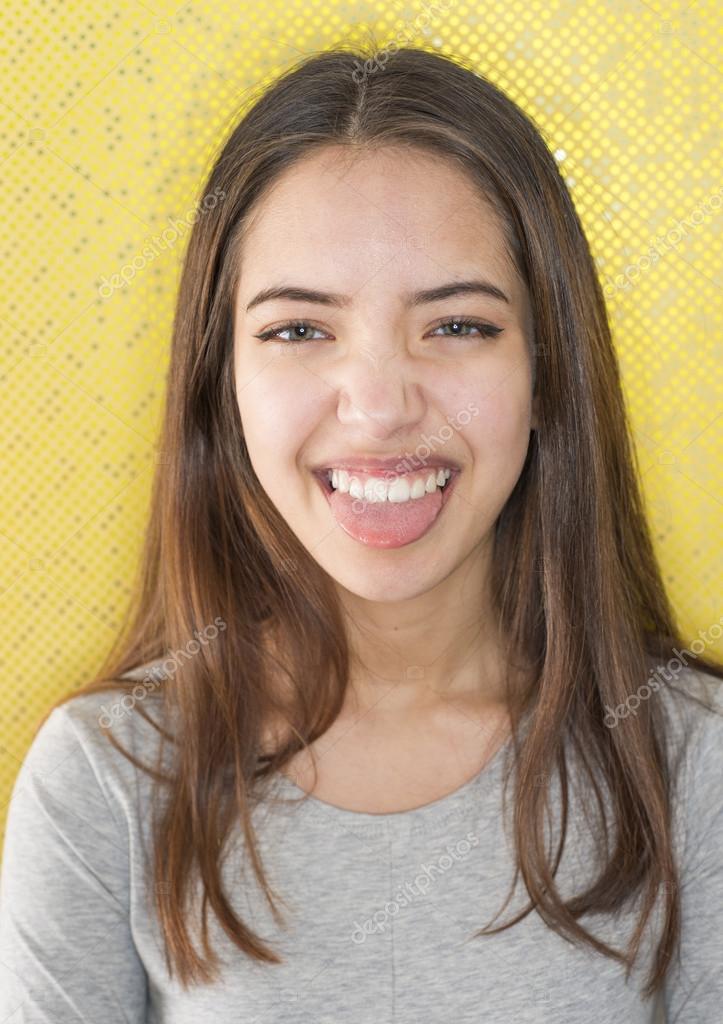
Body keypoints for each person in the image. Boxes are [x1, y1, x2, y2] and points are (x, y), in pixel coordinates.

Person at [1, 44, 721, 1024]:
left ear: (549, 369)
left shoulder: (694, 761)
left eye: (458, 325)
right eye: (300, 330)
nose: (379, 407)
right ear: (224, 387)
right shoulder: (107, 780)